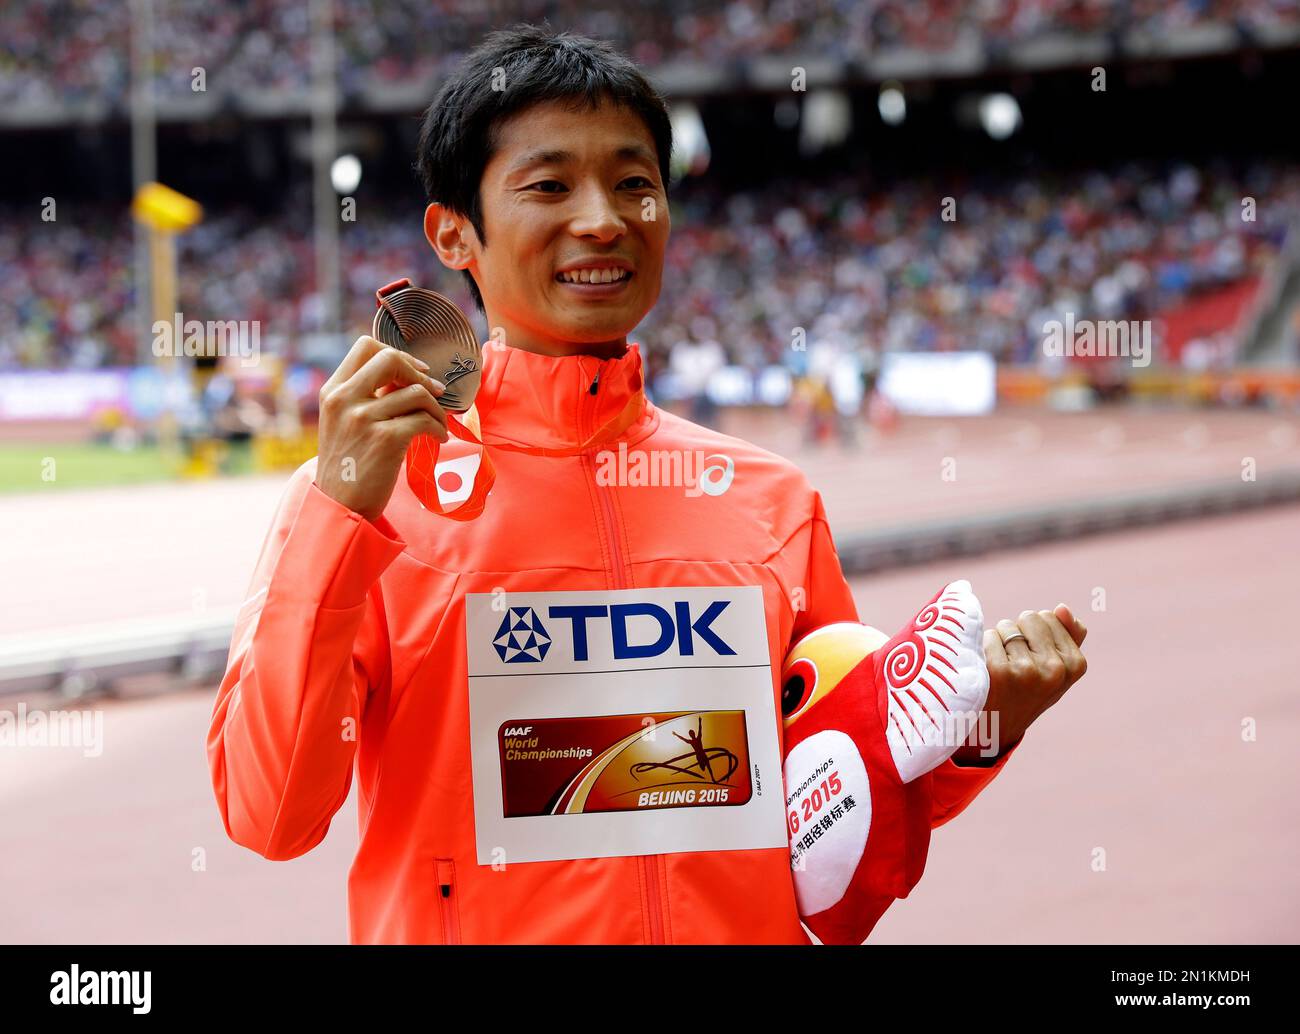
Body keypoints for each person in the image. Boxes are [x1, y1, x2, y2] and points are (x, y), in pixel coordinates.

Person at [206, 25, 1088, 945]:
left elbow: (834, 801)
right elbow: (272, 816)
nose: (603, 218)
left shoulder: (770, 501)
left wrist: (978, 722)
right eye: (549, 185)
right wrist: (337, 514)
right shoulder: (377, 499)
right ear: (453, 232)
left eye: (635, 184)